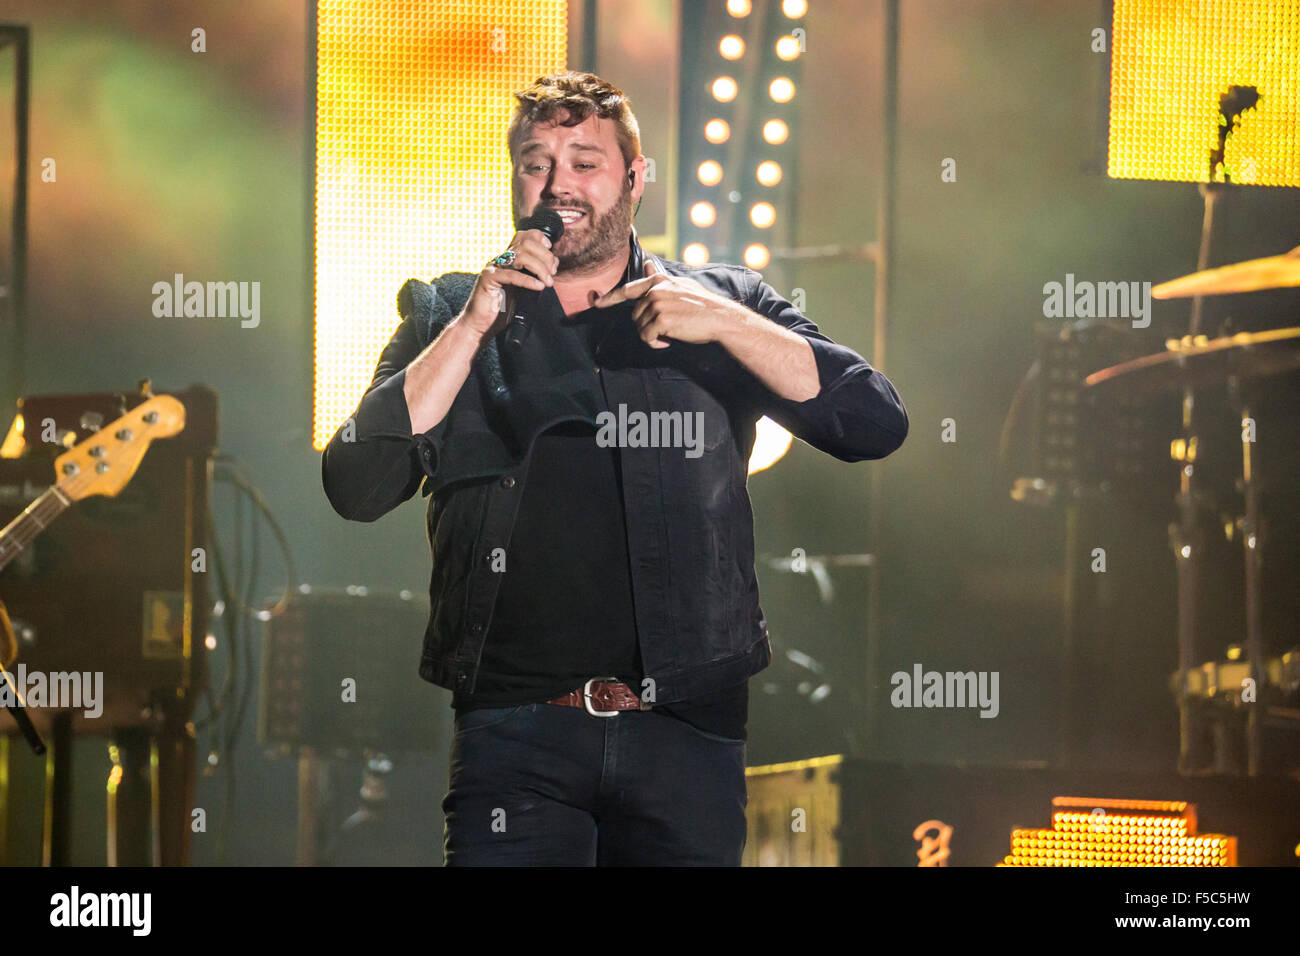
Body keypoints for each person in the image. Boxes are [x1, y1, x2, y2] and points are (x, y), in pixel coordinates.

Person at [321, 71, 908, 865]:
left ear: (635, 179)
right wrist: (471, 326)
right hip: (515, 733)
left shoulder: (720, 302)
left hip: (686, 734)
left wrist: (728, 324)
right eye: (536, 162)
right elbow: (355, 485)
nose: (558, 184)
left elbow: (873, 421)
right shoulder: (451, 310)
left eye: (585, 161)